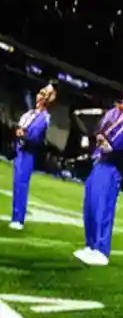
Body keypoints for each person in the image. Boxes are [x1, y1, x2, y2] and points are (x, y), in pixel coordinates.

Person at [74, 81, 123, 266]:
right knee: (90, 205)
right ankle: (90, 245)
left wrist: (113, 151)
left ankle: (102, 250)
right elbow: (99, 130)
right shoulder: (113, 113)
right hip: (98, 162)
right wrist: (98, 138)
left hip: (112, 167)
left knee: (103, 207)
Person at [10, 82, 56, 231]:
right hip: (21, 151)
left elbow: (36, 137)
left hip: (28, 153)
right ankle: (15, 215)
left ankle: (18, 219)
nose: (38, 96)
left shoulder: (44, 117)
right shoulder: (31, 113)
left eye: (42, 94)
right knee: (17, 184)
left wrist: (24, 136)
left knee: (21, 185)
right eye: (40, 93)